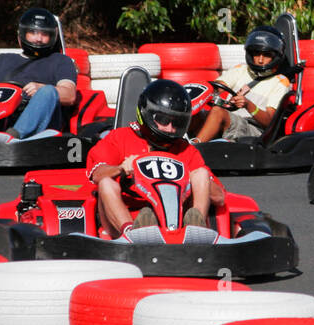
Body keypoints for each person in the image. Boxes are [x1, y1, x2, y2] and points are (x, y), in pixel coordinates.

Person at [86, 79, 219, 240]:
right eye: (163, 120)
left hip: (177, 224)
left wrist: (192, 180)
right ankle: (133, 234)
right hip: (124, 220)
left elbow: (220, 197)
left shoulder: (184, 148)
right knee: (106, 182)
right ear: (146, 113)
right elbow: (97, 174)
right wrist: (120, 169)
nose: (170, 128)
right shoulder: (119, 138)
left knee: (201, 173)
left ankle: (195, 232)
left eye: (176, 122)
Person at [0, 7, 78, 139]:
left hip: (40, 117)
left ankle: (14, 136)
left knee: (47, 92)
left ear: (53, 36)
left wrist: (41, 89)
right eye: (33, 33)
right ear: (22, 35)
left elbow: (69, 95)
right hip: (3, 113)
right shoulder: (0, 59)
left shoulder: (61, 61)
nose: (38, 39)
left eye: (44, 34)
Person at [188, 26, 293, 143]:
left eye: (267, 55)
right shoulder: (241, 69)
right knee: (197, 114)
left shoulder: (280, 82)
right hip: (230, 122)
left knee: (218, 111)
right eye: (256, 54)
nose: (260, 60)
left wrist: (248, 105)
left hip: (254, 130)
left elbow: (269, 121)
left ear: (275, 57)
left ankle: (194, 148)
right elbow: (216, 87)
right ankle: (176, 145)